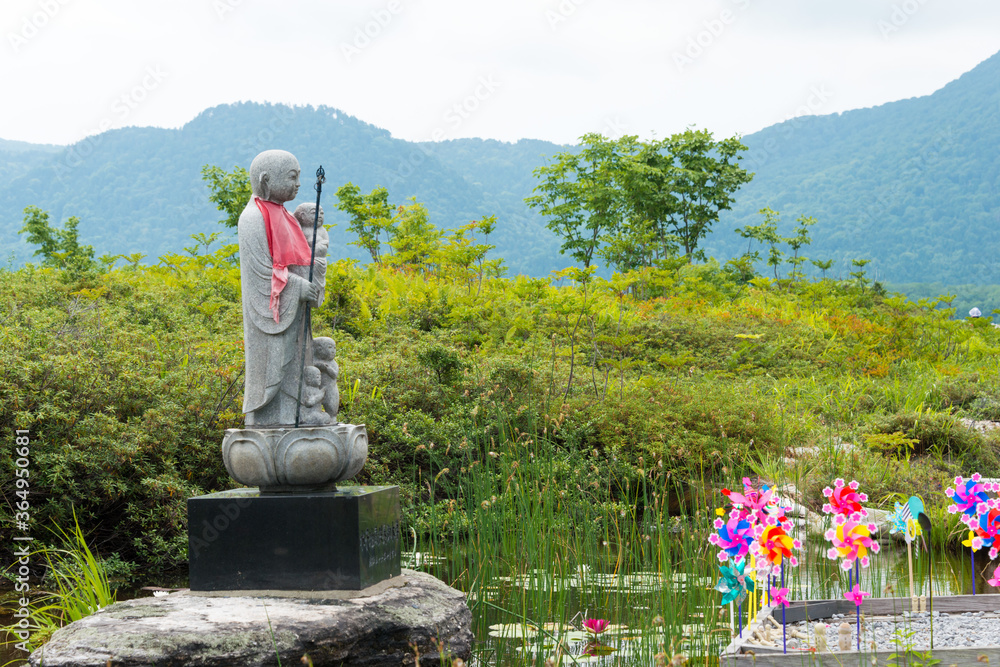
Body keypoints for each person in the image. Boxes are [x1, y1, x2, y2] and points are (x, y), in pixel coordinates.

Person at [238, 149, 322, 426]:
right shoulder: (253, 218)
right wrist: (297, 286)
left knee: (300, 358)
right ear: (265, 180)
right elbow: (260, 274)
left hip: (294, 306)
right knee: (279, 361)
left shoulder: (284, 216)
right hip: (274, 311)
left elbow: (297, 259)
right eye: (292, 177)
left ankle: (302, 412)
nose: (298, 184)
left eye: (299, 177)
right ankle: (272, 418)